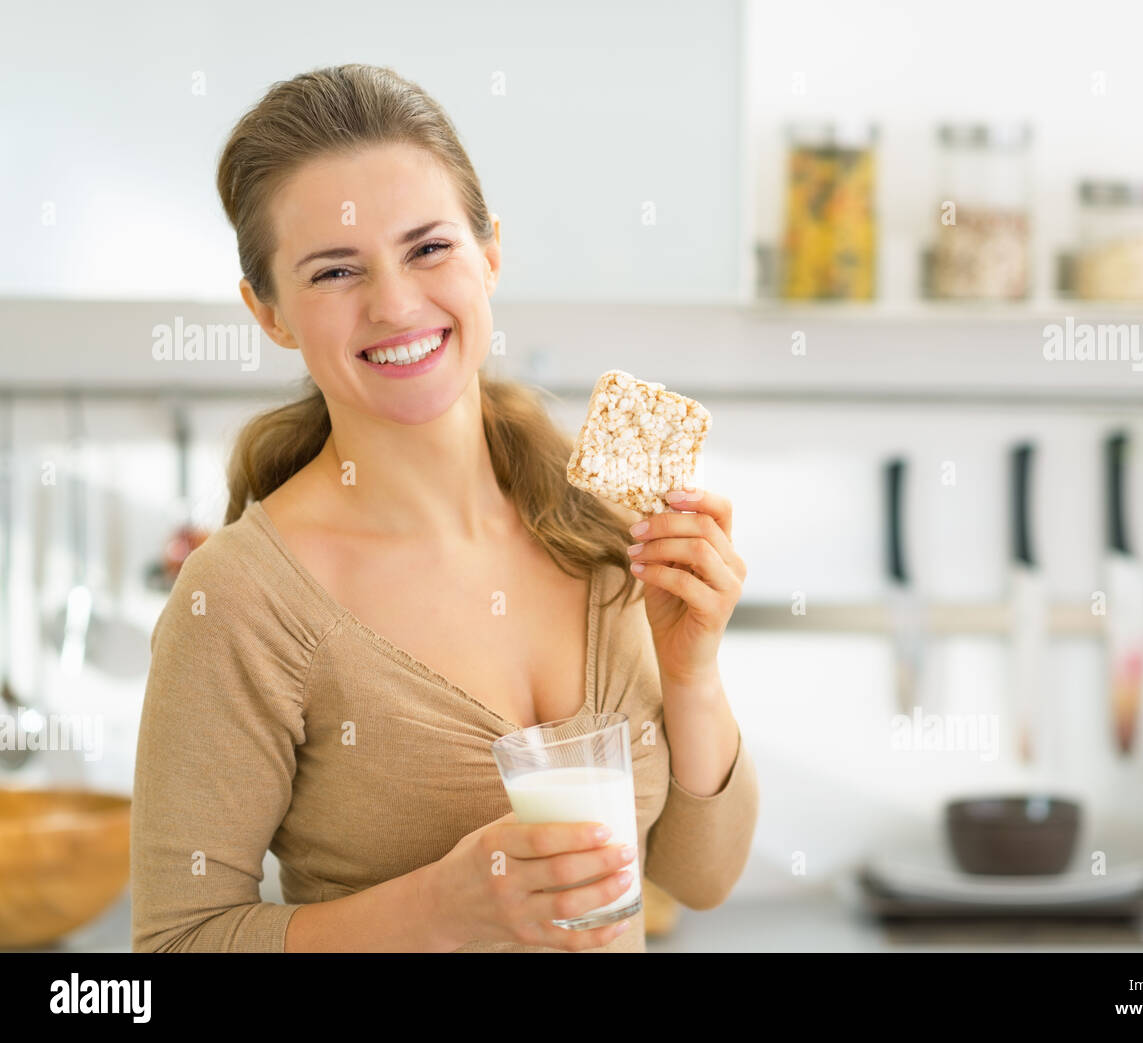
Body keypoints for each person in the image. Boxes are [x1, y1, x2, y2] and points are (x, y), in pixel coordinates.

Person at [130, 63, 758, 953]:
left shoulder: (603, 524)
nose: (394, 305)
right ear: (267, 312)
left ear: (490, 252)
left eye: (429, 248)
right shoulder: (239, 598)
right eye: (335, 270)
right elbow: (168, 952)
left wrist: (692, 673)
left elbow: (704, 875)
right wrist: (441, 909)